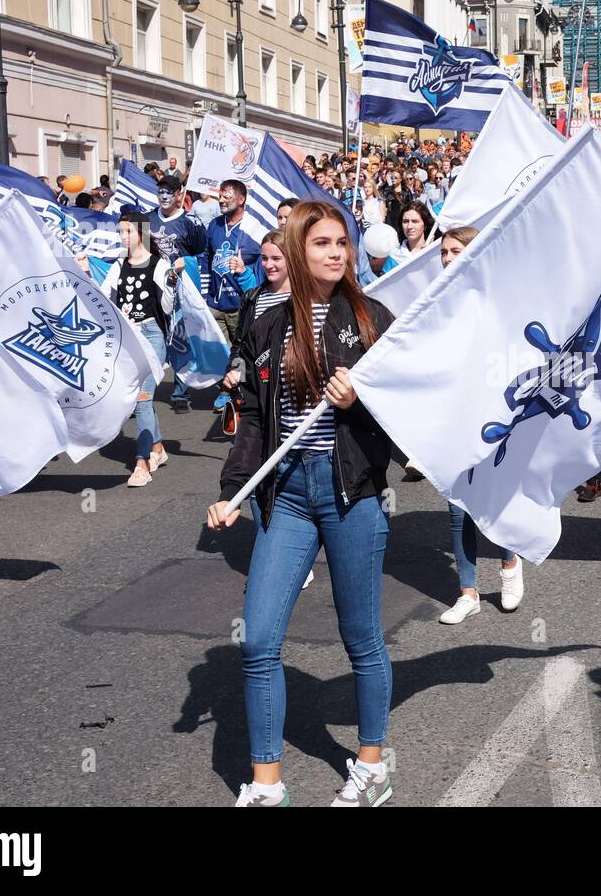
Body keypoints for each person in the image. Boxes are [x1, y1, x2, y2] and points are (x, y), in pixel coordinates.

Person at [207, 199, 398, 808]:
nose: (336, 253)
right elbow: (256, 421)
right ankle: (267, 785)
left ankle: (372, 766)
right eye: (322, 243)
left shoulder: (371, 319)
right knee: (259, 639)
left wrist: (358, 403)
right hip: (285, 495)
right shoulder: (268, 324)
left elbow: (403, 416)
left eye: (342, 242)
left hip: (350, 494)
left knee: (361, 636)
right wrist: (231, 491)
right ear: (296, 249)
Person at [429, 227, 525, 624]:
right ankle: (467, 592)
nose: (449, 258)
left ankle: (508, 563)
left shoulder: (495, 297)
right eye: (445, 252)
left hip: (492, 412)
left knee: (493, 495)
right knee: (457, 508)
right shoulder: (437, 300)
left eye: (456, 251)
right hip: (454, 413)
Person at [101, 212, 176, 488]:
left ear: (141, 232)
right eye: (120, 232)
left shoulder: (158, 264)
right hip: (129, 338)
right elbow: (103, 297)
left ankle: (141, 462)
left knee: (142, 398)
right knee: (140, 398)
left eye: (128, 231)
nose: (124, 237)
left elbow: (167, 308)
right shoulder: (118, 266)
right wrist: (83, 271)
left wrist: (170, 284)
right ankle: (157, 447)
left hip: (151, 335)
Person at [201, 179, 265, 412]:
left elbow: (265, 261)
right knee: (218, 348)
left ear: (242, 199)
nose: (221, 200)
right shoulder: (214, 226)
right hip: (215, 301)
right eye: (220, 195)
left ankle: (233, 391)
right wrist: (204, 292)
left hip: (241, 302)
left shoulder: (254, 227)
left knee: (241, 351)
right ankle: (227, 387)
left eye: (227, 196)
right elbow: (207, 259)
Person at [146, 175, 208, 414]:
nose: (164, 196)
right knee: (151, 339)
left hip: (180, 287)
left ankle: (180, 392)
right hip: (154, 287)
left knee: (182, 339)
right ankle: (144, 391)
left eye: (169, 191)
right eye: (160, 190)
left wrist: (185, 267)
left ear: (179, 194)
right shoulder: (147, 219)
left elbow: (200, 253)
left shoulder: (190, 222)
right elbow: (137, 251)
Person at [383, 201, 436, 274]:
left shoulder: (437, 253)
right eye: (405, 221)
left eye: (415, 221)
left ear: (425, 225)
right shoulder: (394, 257)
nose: (409, 226)